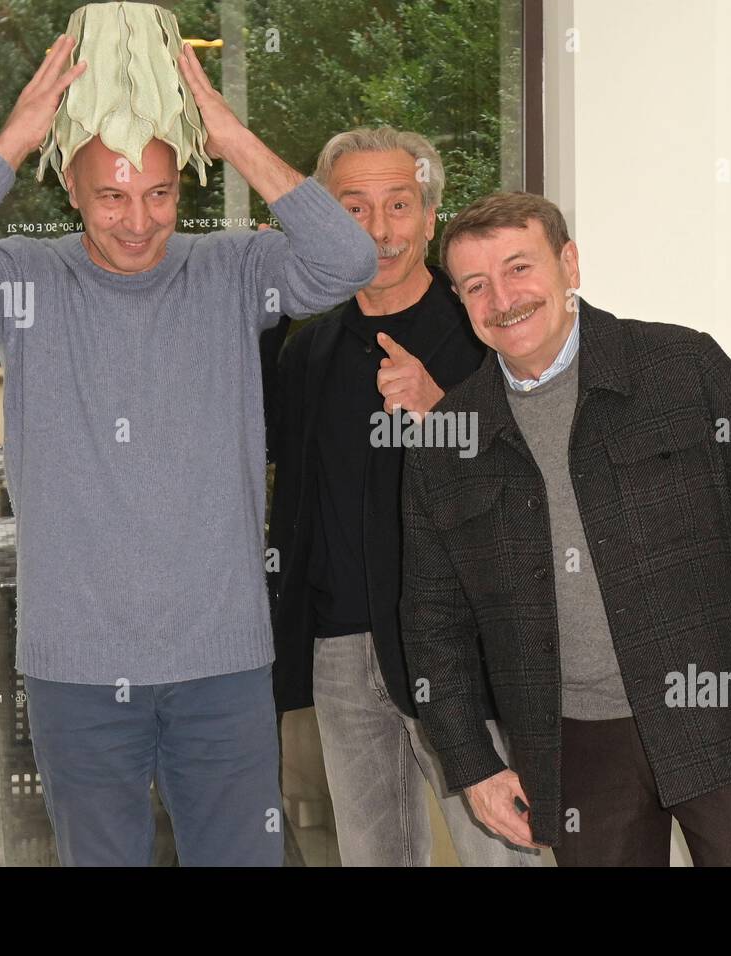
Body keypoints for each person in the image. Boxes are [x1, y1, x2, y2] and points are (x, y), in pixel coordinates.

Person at [0, 34, 376, 865]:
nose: (140, 220)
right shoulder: (25, 286)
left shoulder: (232, 272)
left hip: (221, 661)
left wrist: (232, 135)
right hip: (77, 666)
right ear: (69, 188)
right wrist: (12, 139)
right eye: (112, 196)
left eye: (159, 191)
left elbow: (347, 258)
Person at [400, 191, 731, 866]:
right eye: (477, 285)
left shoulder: (679, 366)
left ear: (569, 264)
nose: (503, 298)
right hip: (572, 746)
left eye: (519, 268)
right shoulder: (446, 440)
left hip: (722, 717)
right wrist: (471, 764)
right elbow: (431, 620)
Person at [266, 127, 537, 866]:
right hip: (344, 647)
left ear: (430, 214)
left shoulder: (487, 330)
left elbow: (541, 481)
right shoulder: (308, 350)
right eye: (353, 209)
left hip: (463, 647)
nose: (380, 230)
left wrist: (444, 411)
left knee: (504, 855)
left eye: (399, 205)